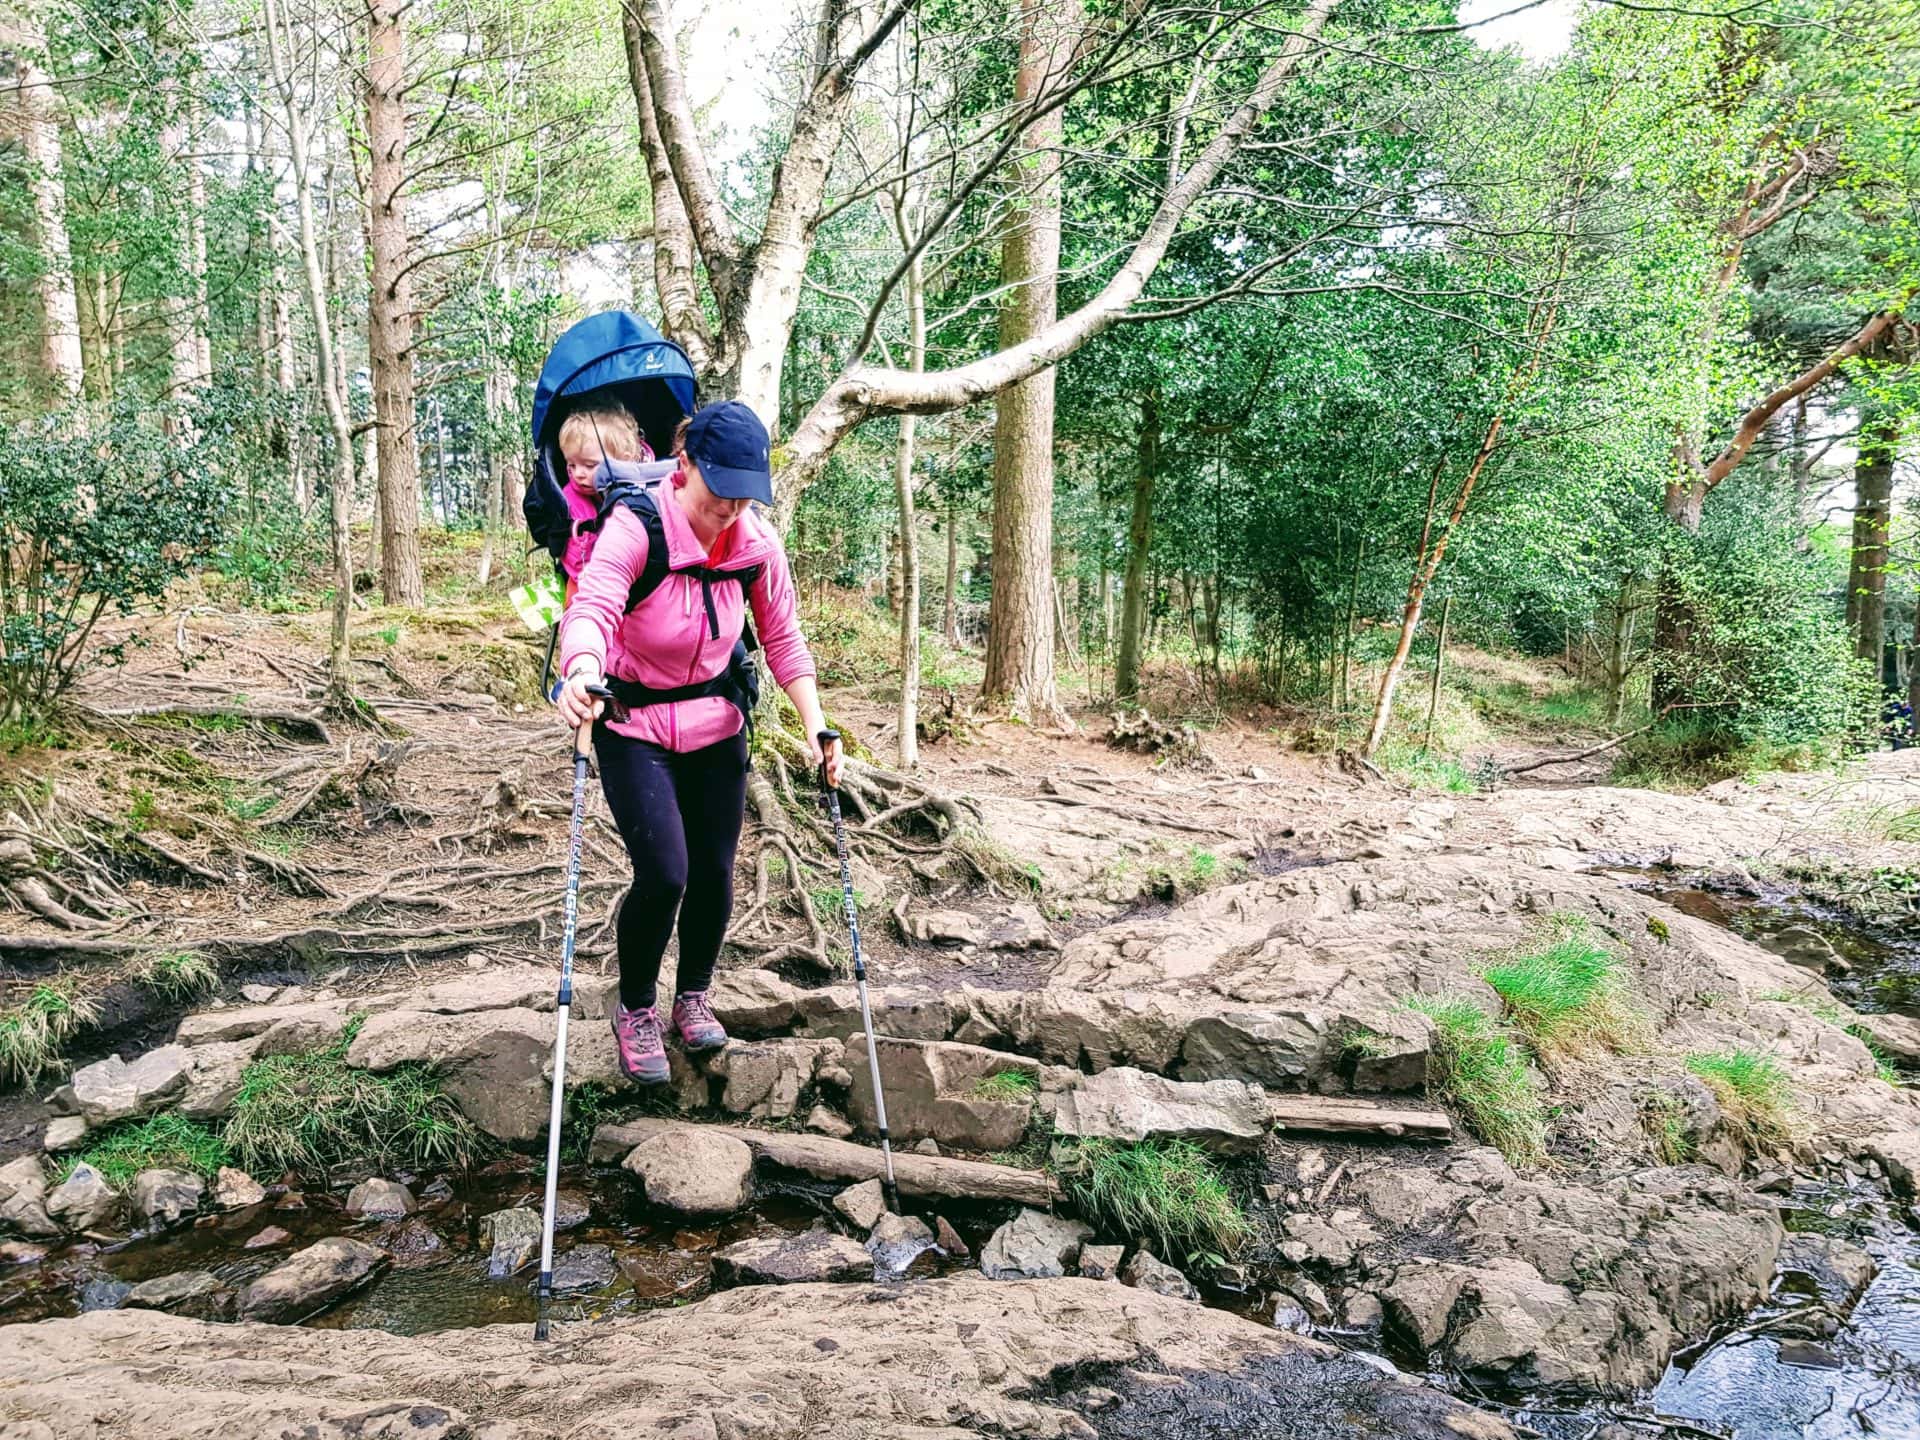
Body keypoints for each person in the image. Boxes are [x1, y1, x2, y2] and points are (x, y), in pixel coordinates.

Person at [554, 400, 842, 1084]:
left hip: (718, 723)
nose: (731, 515)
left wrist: (817, 725)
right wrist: (583, 671)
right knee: (666, 874)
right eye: (720, 499)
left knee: (714, 871)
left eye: (746, 500)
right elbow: (592, 604)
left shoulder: (755, 545)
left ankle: (693, 998)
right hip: (634, 723)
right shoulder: (637, 527)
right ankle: (634, 1008)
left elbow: (784, 638)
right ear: (682, 469)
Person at [555, 403, 652, 600]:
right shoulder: (572, 500)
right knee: (574, 599)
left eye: (590, 465)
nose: (578, 474)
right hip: (591, 577)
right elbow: (575, 559)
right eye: (571, 464)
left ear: (624, 461)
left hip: (644, 574)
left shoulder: (653, 484)